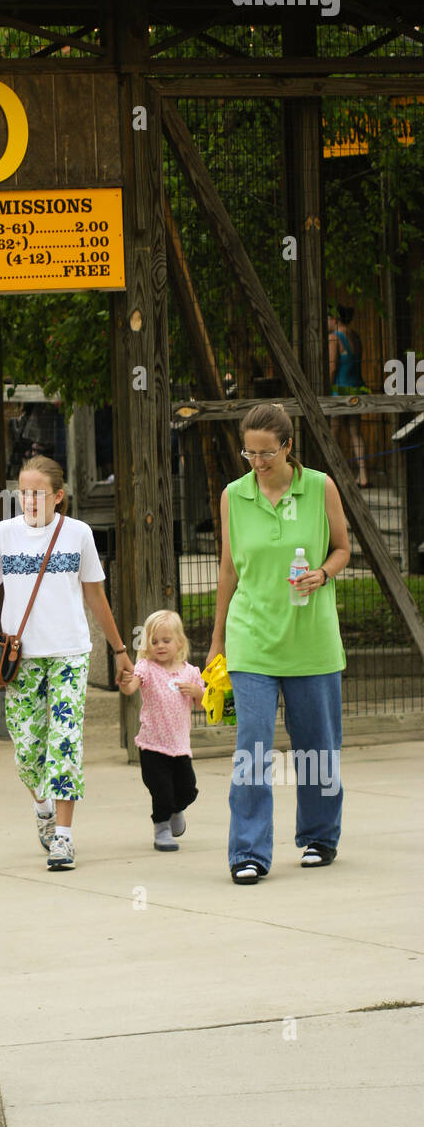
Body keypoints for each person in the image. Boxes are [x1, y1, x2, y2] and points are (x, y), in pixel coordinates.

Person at [206, 404, 351, 884]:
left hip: (312, 640)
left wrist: (323, 573)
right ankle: (248, 851)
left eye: (267, 452)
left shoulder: (320, 487)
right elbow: (229, 568)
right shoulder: (234, 495)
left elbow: (343, 547)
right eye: (250, 452)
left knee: (317, 746)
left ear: (288, 446)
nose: (258, 461)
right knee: (252, 747)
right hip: (253, 639)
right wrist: (218, 639)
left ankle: (318, 836)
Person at [0, 455, 134, 871]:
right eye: (22, 493)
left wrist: (119, 649)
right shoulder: (2, 536)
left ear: (58, 497)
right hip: (20, 658)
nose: (29, 500)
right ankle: (42, 808)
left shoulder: (77, 534)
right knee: (28, 750)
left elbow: (96, 594)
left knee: (64, 742)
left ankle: (63, 837)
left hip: (69, 653)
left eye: (38, 493)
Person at [119, 610, 205, 852]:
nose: (160, 646)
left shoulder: (190, 672)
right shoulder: (146, 667)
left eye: (166, 641)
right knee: (161, 790)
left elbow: (203, 704)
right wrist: (126, 683)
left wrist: (197, 693)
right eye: (154, 641)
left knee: (188, 789)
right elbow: (132, 686)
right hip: (152, 745)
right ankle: (162, 828)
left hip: (180, 747)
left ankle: (177, 808)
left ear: (180, 642)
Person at [328, 305, 369, 487]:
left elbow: (333, 366)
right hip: (357, 388)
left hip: (340, 391)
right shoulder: (355, 336)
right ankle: (364, 475)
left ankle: (333, 475)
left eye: (328, 318)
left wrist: (327, 388)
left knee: (333, 432)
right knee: (355, 433)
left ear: (335, 319)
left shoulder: (334, 337)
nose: (326, 322)